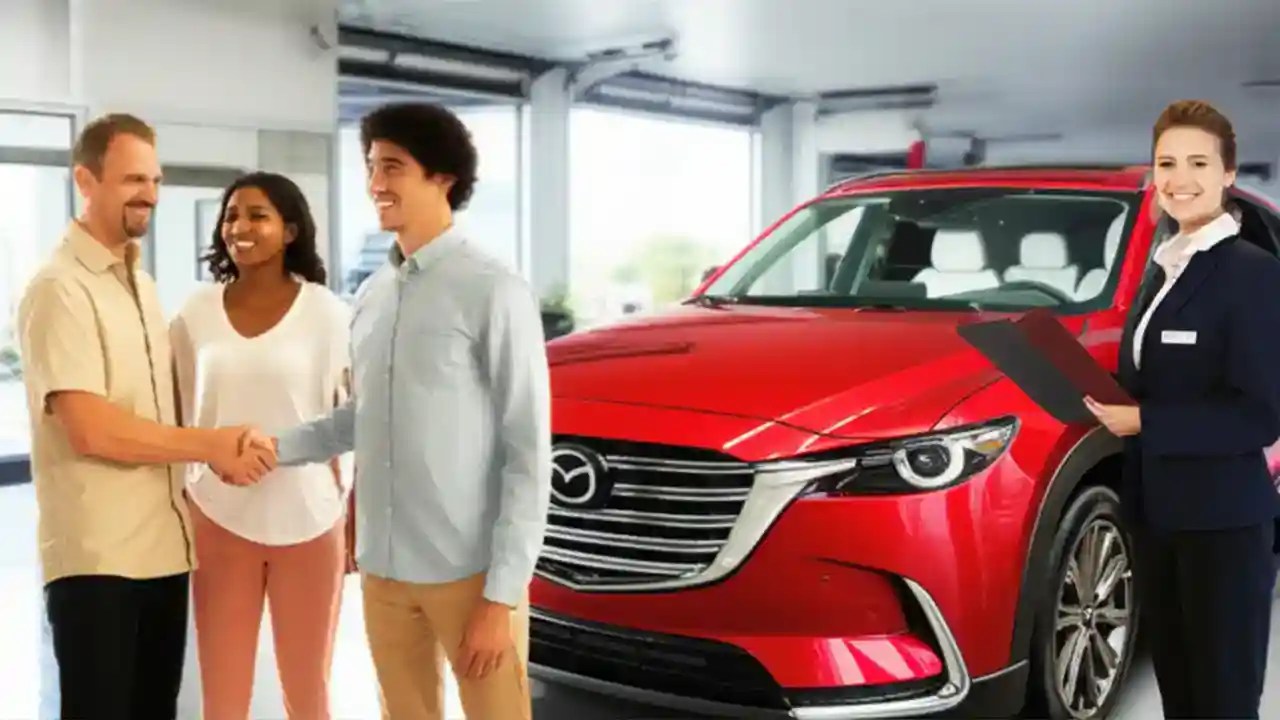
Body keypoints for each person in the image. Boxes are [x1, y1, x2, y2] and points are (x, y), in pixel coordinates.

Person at [263, 101, 551, 720]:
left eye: (392, 167)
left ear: (442, 177)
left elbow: (527, 448)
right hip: (385, 572)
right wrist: (272, 448)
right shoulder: (372, 295)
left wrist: (502, 595)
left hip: (470, 574)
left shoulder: (493, 288)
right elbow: (361, 418)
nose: (375, 183)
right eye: (370, 166)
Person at [16, 113, 274, 720]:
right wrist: (209, 444)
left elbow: (155, 409)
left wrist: (225, 452)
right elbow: (92, 428)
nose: (150, 194)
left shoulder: (142, 284)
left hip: (163, 552)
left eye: (155, 180)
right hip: (99, 561)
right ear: (86, 180)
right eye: (134, 179)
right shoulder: (60, 289)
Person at [1085, 99, 1280, 719]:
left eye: (1199, 162)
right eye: (1167, 163)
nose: (1180, 178)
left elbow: (1261, 416)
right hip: (1158, 515)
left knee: (1223, 698)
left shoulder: (1252, 274)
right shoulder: (1164, 269)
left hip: (1223, 526)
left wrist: (1144, 422)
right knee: (1180, 692)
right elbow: (1165, 377)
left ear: (1229, 174)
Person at [170, 172, 353, 720]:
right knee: (222, 699)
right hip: (219, 519)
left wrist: (354, 506)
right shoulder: (195, 313)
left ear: (290, 230)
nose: (239, 227)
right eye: (231, 216)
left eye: (257, 215)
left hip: (310, 520)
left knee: (309, 695)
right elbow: (180, 411)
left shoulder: (327, 312)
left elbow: (354, 416)